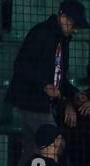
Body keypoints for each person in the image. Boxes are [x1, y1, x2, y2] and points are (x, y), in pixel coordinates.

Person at [7, 1, 90, 155]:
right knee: (55, 145)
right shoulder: (41, 33)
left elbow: (60, 79)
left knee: (33, 150)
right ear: (63, 17)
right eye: (75, 24)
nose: (76, 30)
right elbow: (21, 65)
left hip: (41, 103)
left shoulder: (63, 40)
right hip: (32, 101)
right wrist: (44, 85)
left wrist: (75, 94)